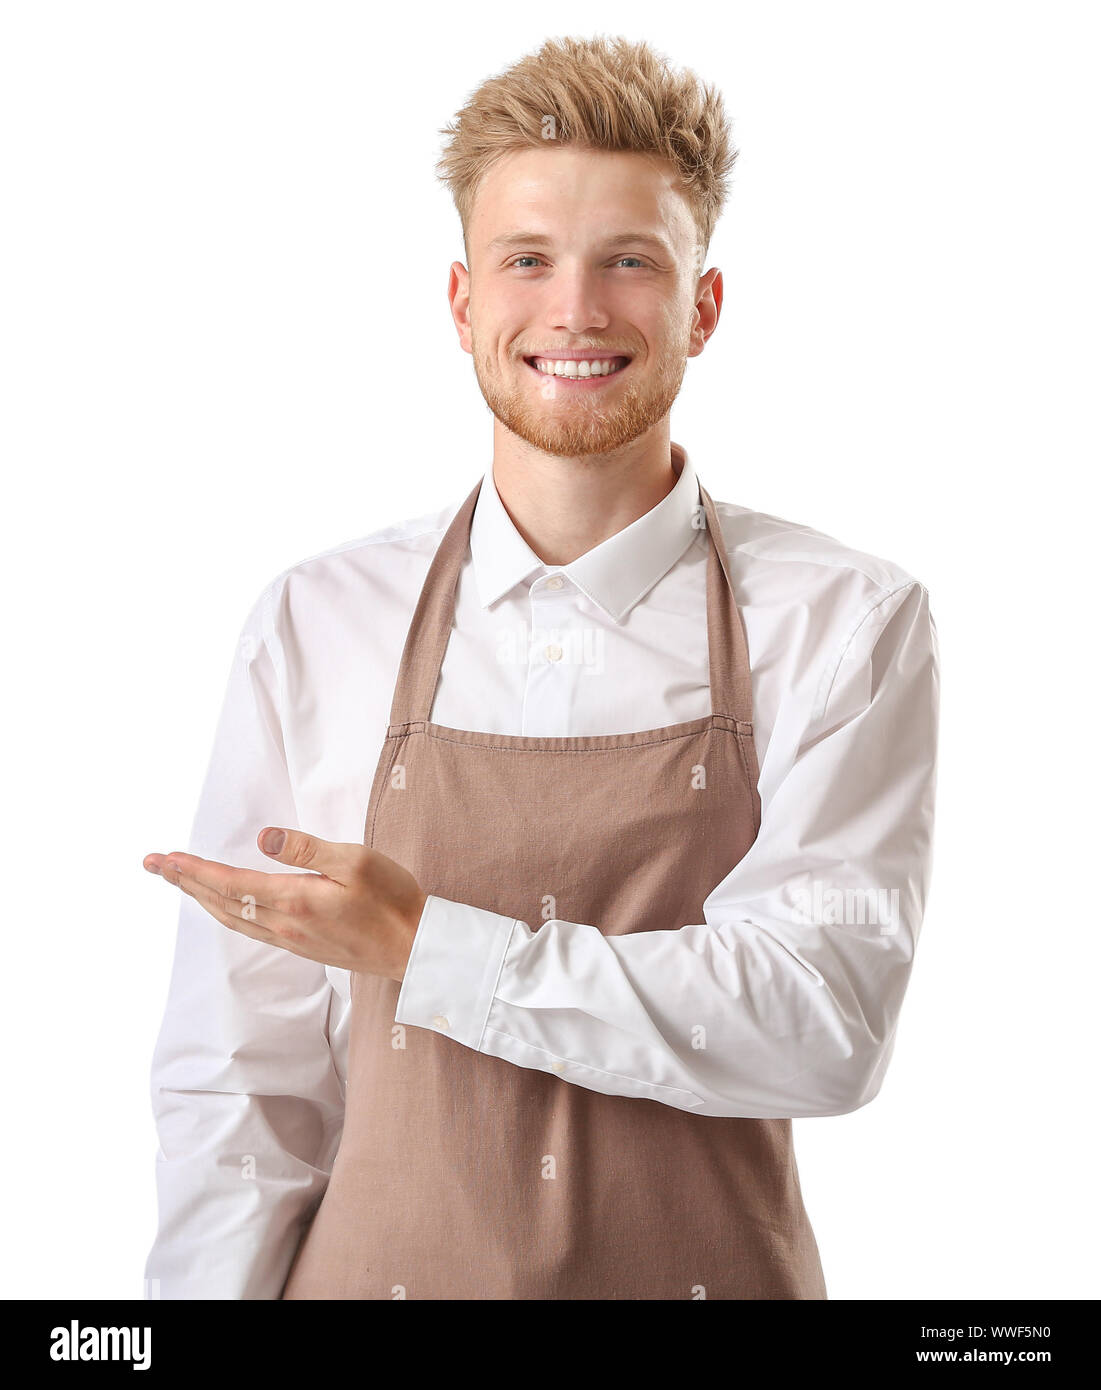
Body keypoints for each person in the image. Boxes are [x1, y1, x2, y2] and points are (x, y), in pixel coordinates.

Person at [143, 34, 939, 1301]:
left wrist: (423, 943)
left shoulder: (841, 620)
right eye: (529, 259)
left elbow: (820, 1019)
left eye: (632, 260)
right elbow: (242, 1083)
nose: (575, 310)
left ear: (704, 305)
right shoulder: (319, 622)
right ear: (463, 302)